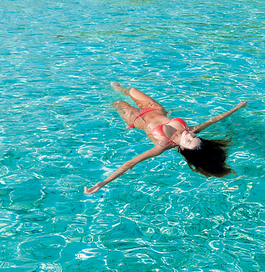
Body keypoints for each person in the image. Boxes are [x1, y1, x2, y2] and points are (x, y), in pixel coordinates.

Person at [84, 83, 247, 195]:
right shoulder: (189, 130)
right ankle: (120, 88)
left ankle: (101, 97)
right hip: (154, 108)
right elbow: (214, 119)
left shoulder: (161, 145)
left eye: (189, 140)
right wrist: (237, 108)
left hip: (136, 119)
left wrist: (103, 183)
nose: (190, 135)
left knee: (118, 103)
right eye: (194, 136)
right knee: (131, 90)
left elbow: (131, 163)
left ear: (182, 148)